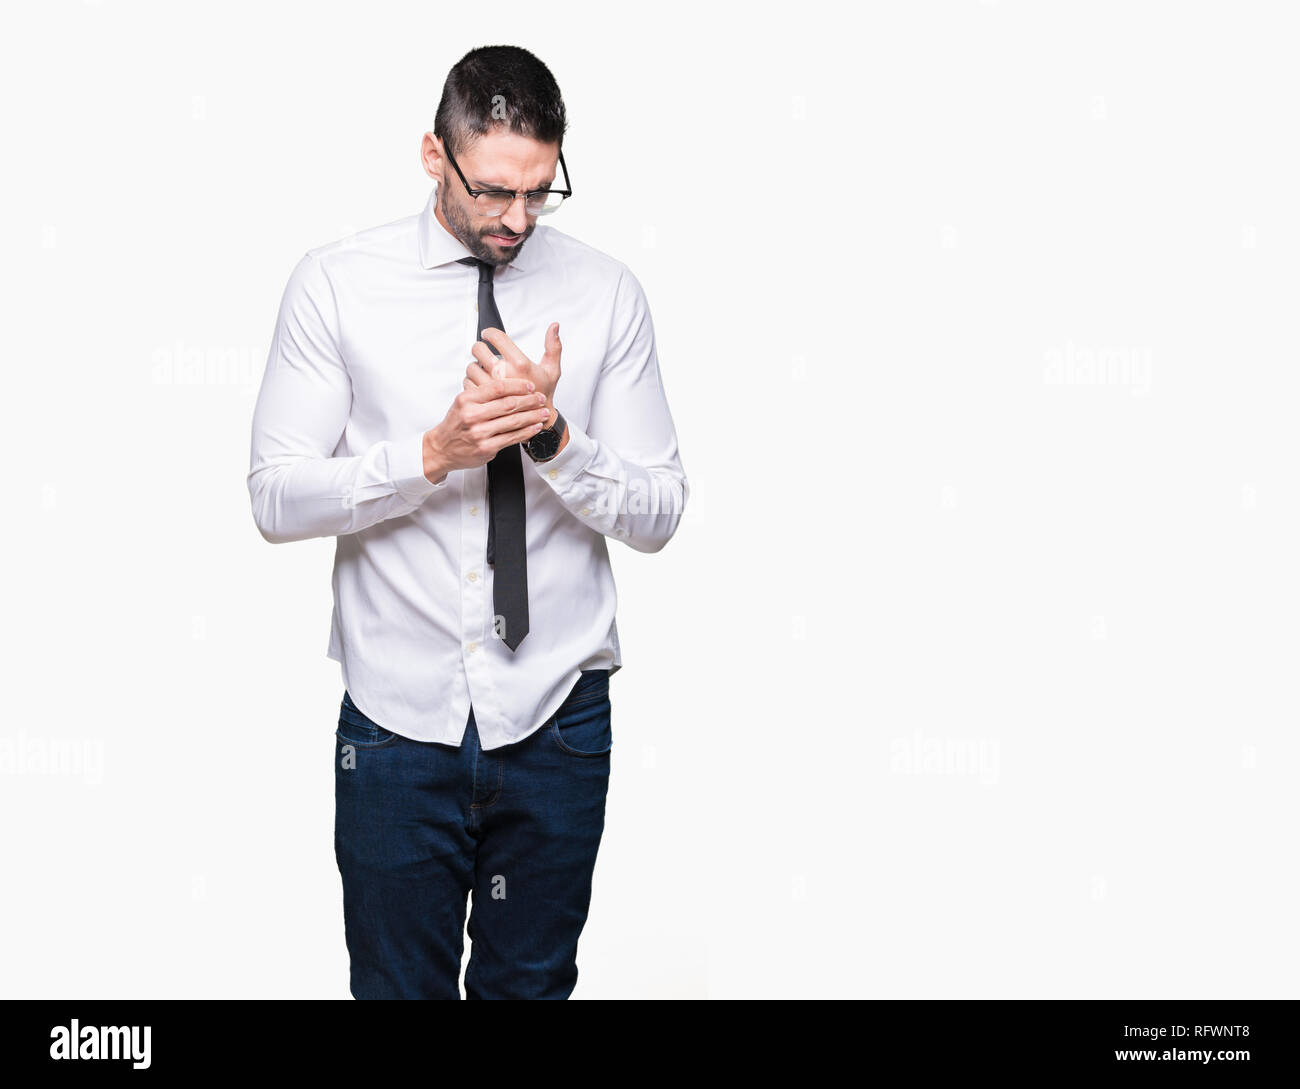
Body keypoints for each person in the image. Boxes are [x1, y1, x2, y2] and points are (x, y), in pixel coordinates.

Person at [246, 44, 687, 999]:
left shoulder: (607, 293)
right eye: (491, 190)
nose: (516, 219)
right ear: (432, 155)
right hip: (397, 725)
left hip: (558, 718)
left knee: (530, 992)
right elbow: (275, 495)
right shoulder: (336, 283)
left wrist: (555, 438)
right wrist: (431, 457)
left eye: (539, 192)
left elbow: (659, 512)